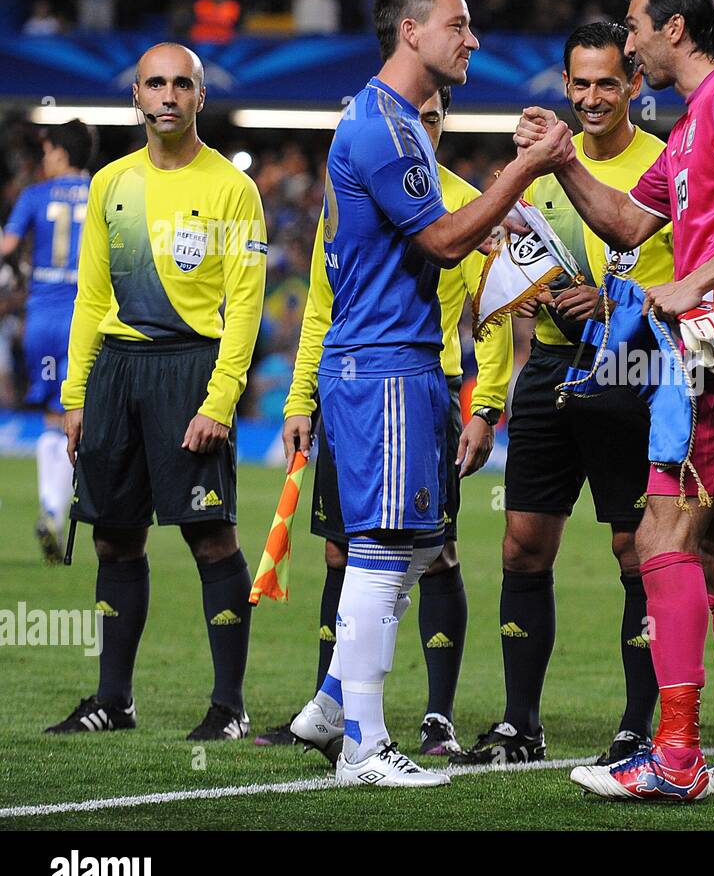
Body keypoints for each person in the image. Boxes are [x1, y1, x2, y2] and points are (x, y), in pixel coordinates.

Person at [516, 0, 714, 801]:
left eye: (634, 25)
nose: (628, 39)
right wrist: (561, 159)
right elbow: (622, 223)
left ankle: (676, 755)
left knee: (660, 536)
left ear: (674, 28)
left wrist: (696, 283)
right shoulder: (691, 129)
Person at [280, 0, 572, 788]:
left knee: (412, 546)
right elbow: (442, 242)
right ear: (411, 31)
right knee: (382, 551)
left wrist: (497, 211)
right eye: (458, 23)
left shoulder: (396, 123)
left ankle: (336, 704)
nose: (471, 38)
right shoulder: (383, 128)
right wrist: (527, 171)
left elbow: (439, 230)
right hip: (387, 367)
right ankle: (364, 749)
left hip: (390, 364)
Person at [255, 85, 512, 760]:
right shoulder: (358, 195)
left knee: (428, 550)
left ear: (444, 119)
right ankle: (343, 719)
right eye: (411, 119)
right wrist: (297, 398)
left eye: (430, 119)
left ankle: (422, 715)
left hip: (422, 384)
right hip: (367, 381)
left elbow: (492, 311)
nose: (417, 132)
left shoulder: (460, 201)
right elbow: (320, 303)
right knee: (352, 550)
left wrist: (484, 405)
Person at [451, 21, 674, 769]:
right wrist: (510, 292)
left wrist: (616, 306)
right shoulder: (539, 168)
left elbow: (695, 277)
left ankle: (639, 725)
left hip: (635, 373)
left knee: (635, 552)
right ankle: (519, 724)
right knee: (522, 546)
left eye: (607, 83)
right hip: (547, 371)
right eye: (578, 84)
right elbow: (497, 253)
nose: (591, 97)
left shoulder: (667, 164)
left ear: (635, 84)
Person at [46, 43, 267, 740]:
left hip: (190, 370)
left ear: (200, 96)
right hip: (116, 371)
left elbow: (247, 304)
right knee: (114, 539)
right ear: (137, 97)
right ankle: (114, 702)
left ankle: (229, 706)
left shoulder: (234, 188)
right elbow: (90, 297)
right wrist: (75, 395)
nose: (168, 94)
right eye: (155, 83)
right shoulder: (108, 182)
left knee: (210, 537)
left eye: (182, 83)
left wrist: (220, 399)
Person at [1, 119, 96, 563]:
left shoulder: (36, 196)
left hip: (43, 317)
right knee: (81, 410)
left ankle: (52, 509)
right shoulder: (103, 191)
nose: (44, 160)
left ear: (59, 151)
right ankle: (75, 508)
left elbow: (7, 247)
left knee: (50, 414)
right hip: (88, 319)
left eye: (46, 152)